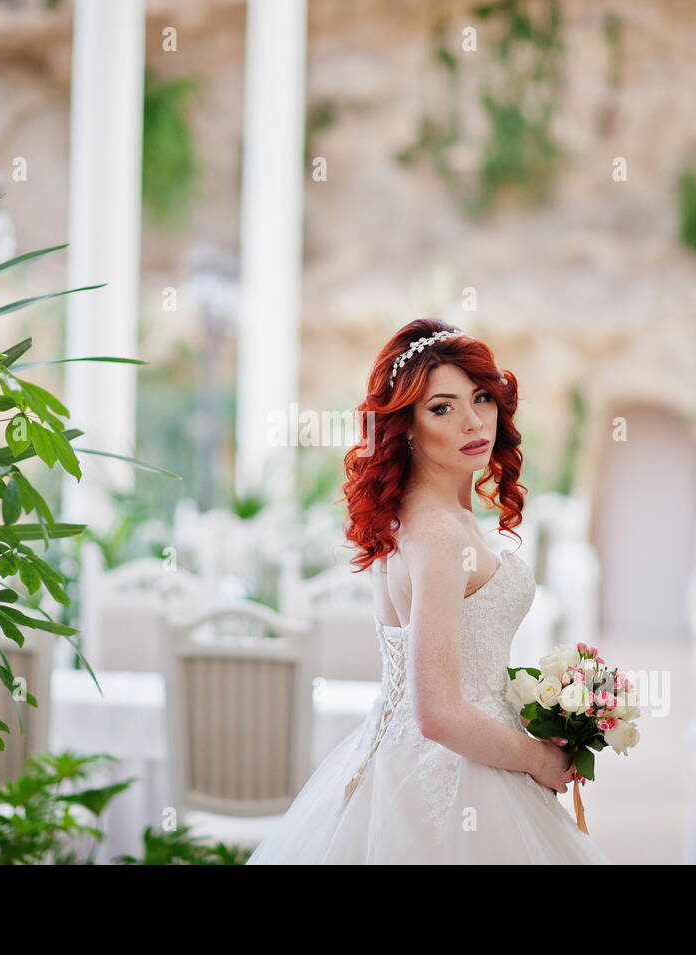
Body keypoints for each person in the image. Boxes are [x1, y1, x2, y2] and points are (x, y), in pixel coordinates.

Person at [247, 318, 612, 864]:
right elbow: (437, 712)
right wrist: (537, 760)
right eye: (442, 407)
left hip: (424, 763)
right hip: (451, 777)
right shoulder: (438, 534)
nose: (472, 421)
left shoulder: (423, 519)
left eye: (482, 398)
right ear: (408, 427)